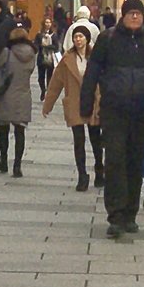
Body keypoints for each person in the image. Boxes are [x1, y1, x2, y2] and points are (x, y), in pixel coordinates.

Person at [83, 0, 144, 240]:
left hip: (141, 110)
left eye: (137, 13)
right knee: (115, 160)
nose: (134, 16)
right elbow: (93, 70)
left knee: (135, 163)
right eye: (130, 13)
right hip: (114, 110)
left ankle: (130, 214)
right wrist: (86, 104)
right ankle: (115, 215)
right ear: (123, 16)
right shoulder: (108, 39)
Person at [43, 23, 102, 191]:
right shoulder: (67, 59)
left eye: (81, 37)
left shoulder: (96, 57)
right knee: (79, 141)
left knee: (96, 140)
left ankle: (99, 169)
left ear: (87, 39)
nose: (78, 40)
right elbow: (56, 83)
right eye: (75, 37)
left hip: (93, 102)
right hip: (75, 102)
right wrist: (48, 104)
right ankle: (82, 175)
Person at [0, 24, 38, 177]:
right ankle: (17, 165)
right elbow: (30, 70)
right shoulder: (32, 53)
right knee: (20, 132)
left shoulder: (7, 52)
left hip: (7, 94)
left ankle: (4, 161)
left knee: (4, 130)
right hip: (23, 94)